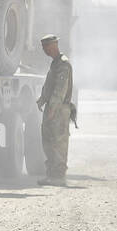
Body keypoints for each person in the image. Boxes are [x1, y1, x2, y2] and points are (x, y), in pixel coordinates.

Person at [36, 33, 74, 186]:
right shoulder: (55, 63)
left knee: (58, 141)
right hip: (53, 107)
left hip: (59, 109)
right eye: (44, 47)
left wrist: (52, 107)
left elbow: (60, 89)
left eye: (47, 46)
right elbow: (50, 85)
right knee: (48, 141)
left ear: (54, 46)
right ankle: (52, 174)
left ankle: (58, 176)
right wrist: (42, 99)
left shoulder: (63, 64)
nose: (45, 50)